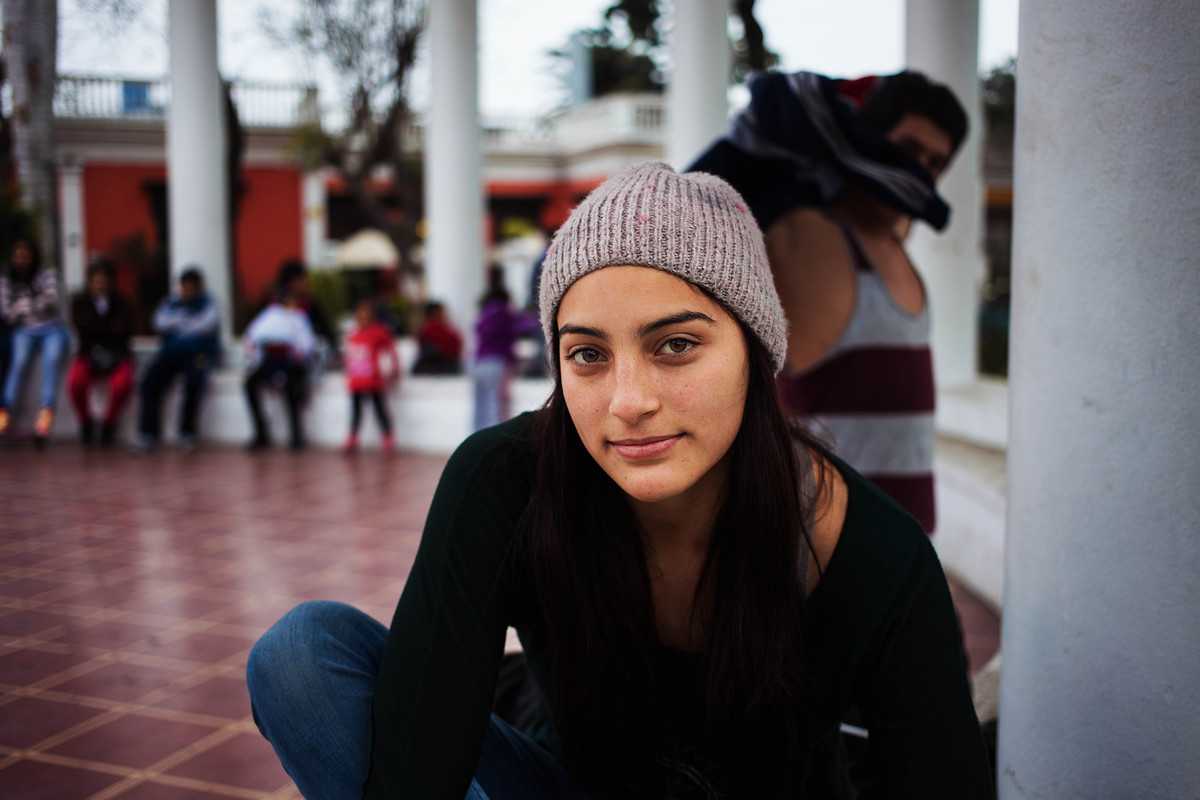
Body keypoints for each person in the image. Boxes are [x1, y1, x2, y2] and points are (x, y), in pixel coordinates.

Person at [246, 163, 992, 799]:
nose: (628, 402)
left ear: (757, 356)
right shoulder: (506, 482)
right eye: (588, 355)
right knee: (299, 657)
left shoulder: (871, 554)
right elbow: (417, 777)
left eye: (675, 345)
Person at [689, 70, 968, 535]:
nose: (920, 171)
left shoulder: (896, 251)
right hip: (825, 554)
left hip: (908, 551)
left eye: (936, 162)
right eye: (907, 149)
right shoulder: (810, 236)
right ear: (864, 141)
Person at [132, 267, 220, 453]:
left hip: (199, 354)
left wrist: (177, 324)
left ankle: (187, 432)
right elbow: (158, 323)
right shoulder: (170, 302)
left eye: (191, 287)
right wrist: (188, 322)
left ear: (199, 288)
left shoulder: (209, 303)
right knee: (149, 382)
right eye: (184, 286)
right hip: (171, 353)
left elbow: (206, 326)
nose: (187, 290)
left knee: (195, 380)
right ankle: (148, 434)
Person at [0, 236, 71, 444]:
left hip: (53, 329)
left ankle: (45, 415)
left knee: (52, 360)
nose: (21, 258)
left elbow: (53, 302)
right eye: (18, 254)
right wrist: (33, 305)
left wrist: (22, 306)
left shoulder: (48, 275)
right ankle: (5, 411)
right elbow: (7, 313)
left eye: (26, 253)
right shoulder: (6, 280)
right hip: (25, 330)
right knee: (19, 362)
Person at [67, 256, 136, 446]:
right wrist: (108, 327)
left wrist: (98, 327)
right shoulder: (79, 303)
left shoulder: (122, 303)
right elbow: (83, 329)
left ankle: (109, 423)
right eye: (96, 278)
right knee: (75, 382)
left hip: (117, 354)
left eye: (104, 278)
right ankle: (86, 423)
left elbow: (126, 330)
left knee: (123, 383)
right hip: (88, 354)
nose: (100, 283)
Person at [243, 288, 317, 451]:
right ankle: (260, 432)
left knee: (293, 386)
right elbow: (252, 336)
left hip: (290, 361)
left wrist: (294, 350)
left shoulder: (299, 318)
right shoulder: (270, 315)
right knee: (249, 384)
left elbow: (307, 343)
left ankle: (296, 434)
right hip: (268, 360)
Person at [472, 267, 537, 431]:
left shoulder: (483, 312)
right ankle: (493, 437)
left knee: (479, 402)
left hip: (478, 362)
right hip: (497, 362)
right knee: (496, 402)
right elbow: (523, 326)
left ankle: (474, 436)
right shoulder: (504, 313)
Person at [342, 298, 401, 454]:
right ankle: (352, 438)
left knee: (380, 409)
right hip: (357, 380)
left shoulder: (379, 332)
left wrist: (395, 369)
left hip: (373, 380)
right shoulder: (353, 334)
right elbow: (349, 356)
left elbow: (391, 350)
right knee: (356, 410)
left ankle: (388, 438)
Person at [411, 301, 464, 375]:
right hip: (441, 367)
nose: (444, 314)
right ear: (434, 313)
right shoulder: (430, 328)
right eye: (442, 311)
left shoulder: (442, 327)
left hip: (447, 365)